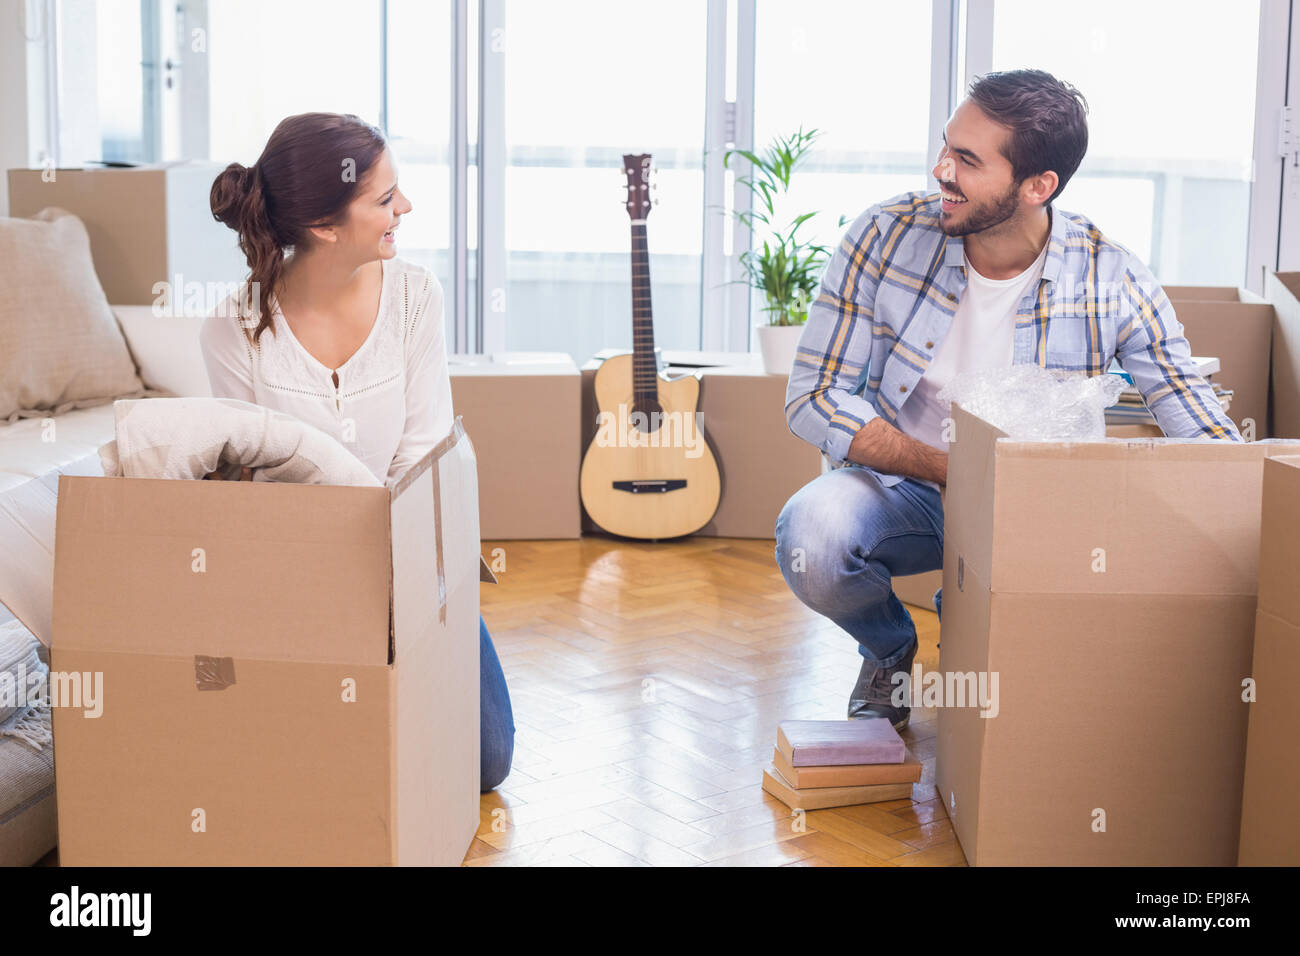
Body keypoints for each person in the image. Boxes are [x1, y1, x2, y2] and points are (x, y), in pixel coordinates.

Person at [775, 69, 1241, 730]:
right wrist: (949, 471)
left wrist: (1258, 506)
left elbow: (1193, 414)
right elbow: (813, 396)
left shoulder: (1110, 277)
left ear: (1037, 186)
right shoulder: (884, 237)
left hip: (1032, 508)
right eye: (946, 147)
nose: (941, 170)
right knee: (814, 538)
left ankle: (970, 623)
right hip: (901, 485)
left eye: (967, 160)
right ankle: (889, 649)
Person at [200, 111, 514, 791]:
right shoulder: (234, 328)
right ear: (324, 227)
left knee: (487, 758)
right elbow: (246, 485)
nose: (405, 207)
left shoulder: (414, 297)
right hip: (292, 573)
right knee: (301, 755)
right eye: (383, 199)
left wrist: (404, 593)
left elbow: (425, 449)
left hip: (405, 557)